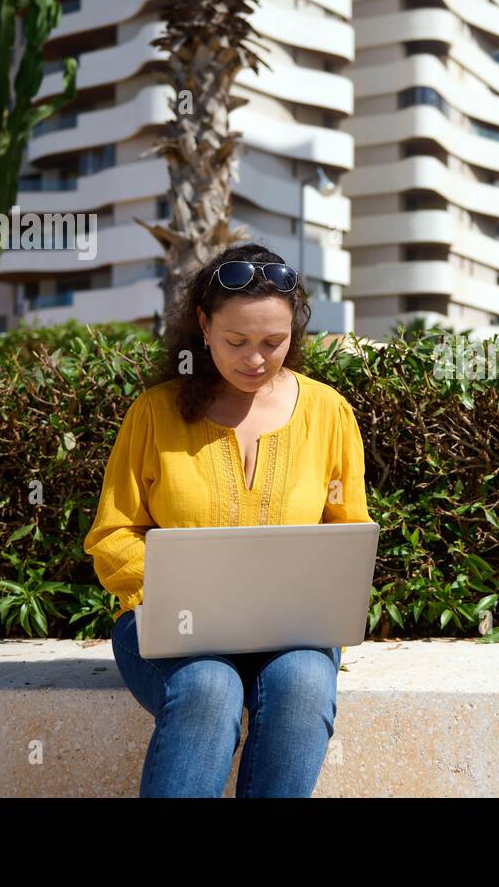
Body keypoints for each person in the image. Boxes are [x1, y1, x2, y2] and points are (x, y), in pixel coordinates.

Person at [83, 242, 371, 797]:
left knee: (306, 685)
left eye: (273, 342)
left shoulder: (329, 412)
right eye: (236, 341)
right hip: (171, 629)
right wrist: (168, 592)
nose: (255, 359)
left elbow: (347, 533)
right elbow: (112, 533)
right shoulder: (153, 414)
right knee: (208, 689)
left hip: (292, 631)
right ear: (203, 326)